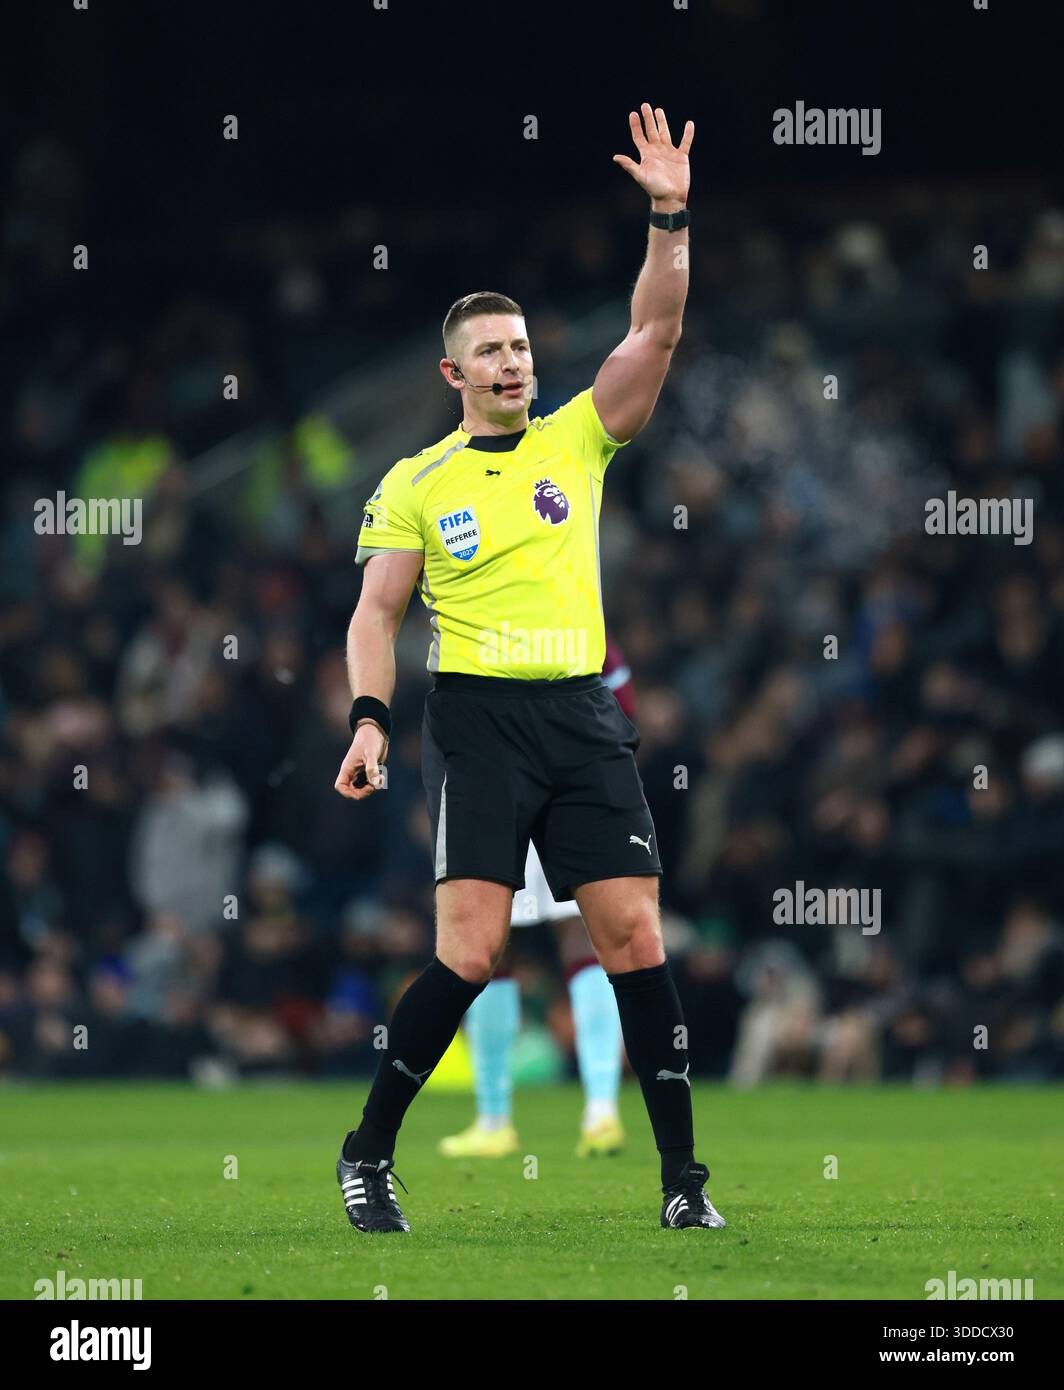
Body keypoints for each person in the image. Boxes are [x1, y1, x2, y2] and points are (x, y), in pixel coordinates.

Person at [334, 104, 724, 1233]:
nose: (512, 362)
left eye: (519, 347)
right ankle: (367, 1153)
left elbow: (653, 333)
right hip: (477, 723)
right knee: (471, 949)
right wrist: (366, 715)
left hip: (582, 713)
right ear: (450, 370)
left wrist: (668, 213)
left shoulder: (574, 438)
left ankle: (680, 1184)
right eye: (490, 352)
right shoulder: (416, 481)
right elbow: (375, 608)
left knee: (634, 940)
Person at [439, 639, 636, 1161]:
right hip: (578, 789)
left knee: (488, 947)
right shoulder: (586, 630)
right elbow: (627, 711)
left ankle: (494, 1119)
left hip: (503, 790)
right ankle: (601, 1112)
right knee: (584, 943)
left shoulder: (487, 623)